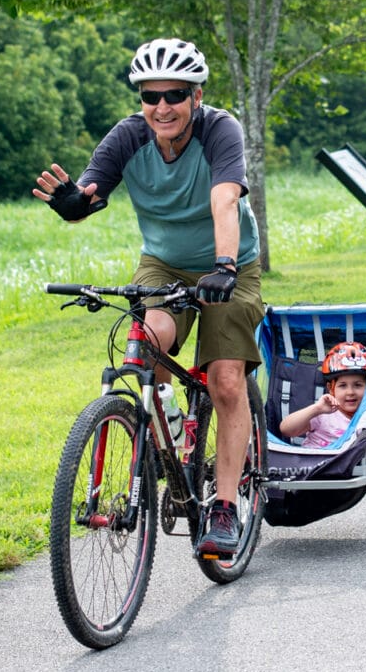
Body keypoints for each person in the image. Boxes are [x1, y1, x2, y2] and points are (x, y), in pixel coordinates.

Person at [32, 38, 262, 560]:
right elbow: (89, 192)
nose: (162, 106)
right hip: (163, 262)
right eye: (151, 95)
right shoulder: (128, 137)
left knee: (226, 378)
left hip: (230, 265)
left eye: (175, 95)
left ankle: (224, 506)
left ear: (196, 96)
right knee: (147, 341)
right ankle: (171, 426)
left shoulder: (220, 130)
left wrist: (224, 266)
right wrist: (73, 205)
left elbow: (224, 197)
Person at [278, 341, 366, 449]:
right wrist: (316, 409)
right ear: (331, 389)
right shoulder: (325, 413)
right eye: (342, 386)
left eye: (358, 385)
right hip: (314, 463)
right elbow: (286, 430)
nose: (350, 392)